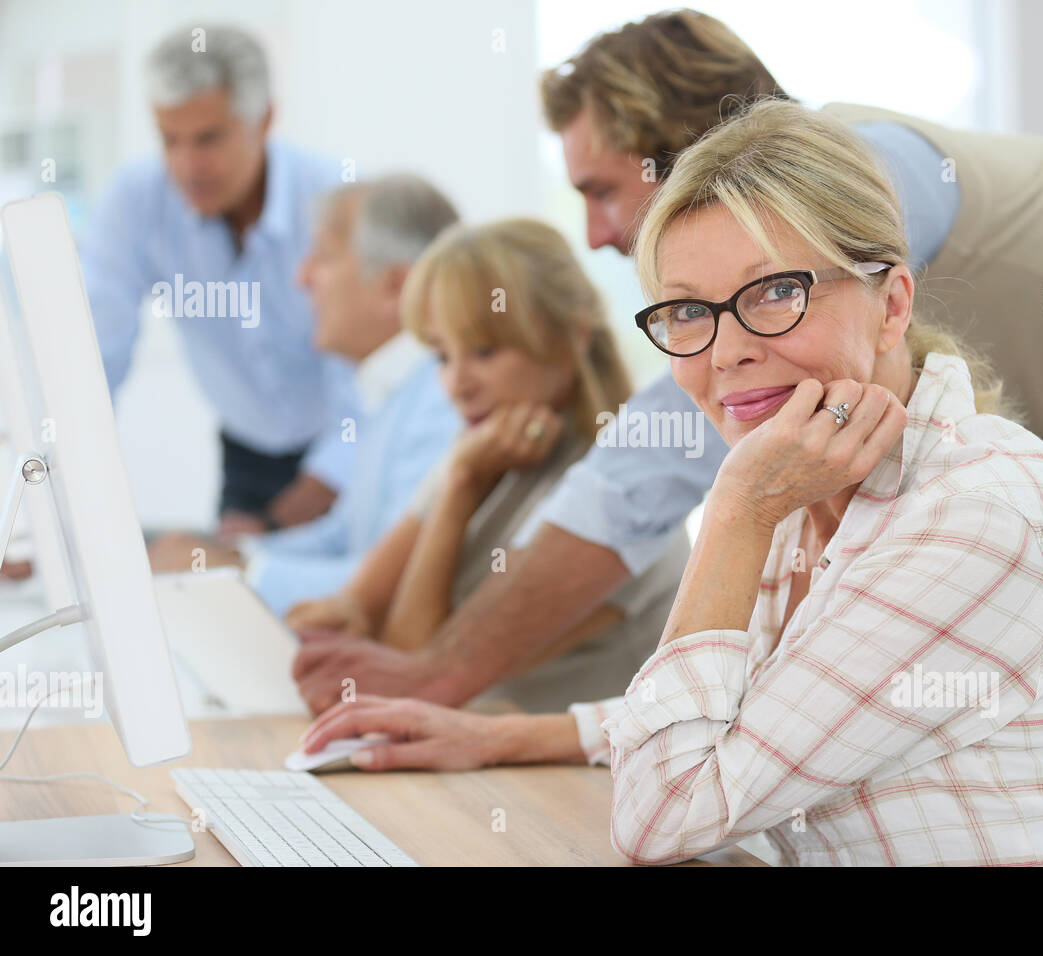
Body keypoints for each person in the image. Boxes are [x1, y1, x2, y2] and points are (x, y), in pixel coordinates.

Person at [294, 8, 1043, 726]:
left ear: (679, 145)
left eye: (602, 189)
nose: (597, 232)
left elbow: (646, 469)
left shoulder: (853, 178)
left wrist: (441, 673)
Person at [299, 100, 1043, 867]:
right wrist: (497, 736)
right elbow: (754, 713)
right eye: (688, 312)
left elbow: (665, 815)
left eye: (777, 291)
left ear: (892, 305)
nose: (725, 350)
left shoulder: (973, 511)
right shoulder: (811, 473)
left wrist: (737, 509)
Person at [289, 219, 690, 711]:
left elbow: (414, 668)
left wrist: (459, 489)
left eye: (483, 351)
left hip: (571, 783)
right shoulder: (479, 453)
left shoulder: (627, 497)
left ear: (571, 338)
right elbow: (357, 607)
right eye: (441, 355)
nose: (458, 384)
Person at [79, 24, 359, 536]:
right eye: (170, 139)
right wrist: (57, 514)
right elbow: (94, 359)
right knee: (227, 598)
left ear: (264, 119)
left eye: (209, 138)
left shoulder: (331, 202)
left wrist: (277, 523)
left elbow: (365, 393)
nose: (187, 166)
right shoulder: (136, 202)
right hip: (246, 450)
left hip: (348, 447)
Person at [148, 175, 462, 617]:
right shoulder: (393, 393)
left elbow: (398, 579)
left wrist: (237, 571)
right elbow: (343, 537)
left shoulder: (445, 398)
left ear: (395, 286)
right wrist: (235, 550)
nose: (302, 278)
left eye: (325, 257)